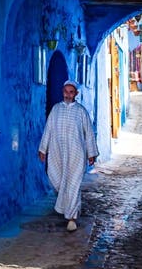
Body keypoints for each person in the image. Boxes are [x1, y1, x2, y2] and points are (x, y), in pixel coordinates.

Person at [38, 80, 98, 232]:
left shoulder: (81, 111)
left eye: (71, 92)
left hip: (76, 154)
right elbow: (48, 129)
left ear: (76, 94)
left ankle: (72, 218)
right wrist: (43, 149)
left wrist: (91, 153)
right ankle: (69, 208)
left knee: (73, 185)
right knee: (58, 181)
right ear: (62, 92)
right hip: (58, 152)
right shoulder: (56, 109)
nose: (68, 95)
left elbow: (88, 133)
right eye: (66, 91)